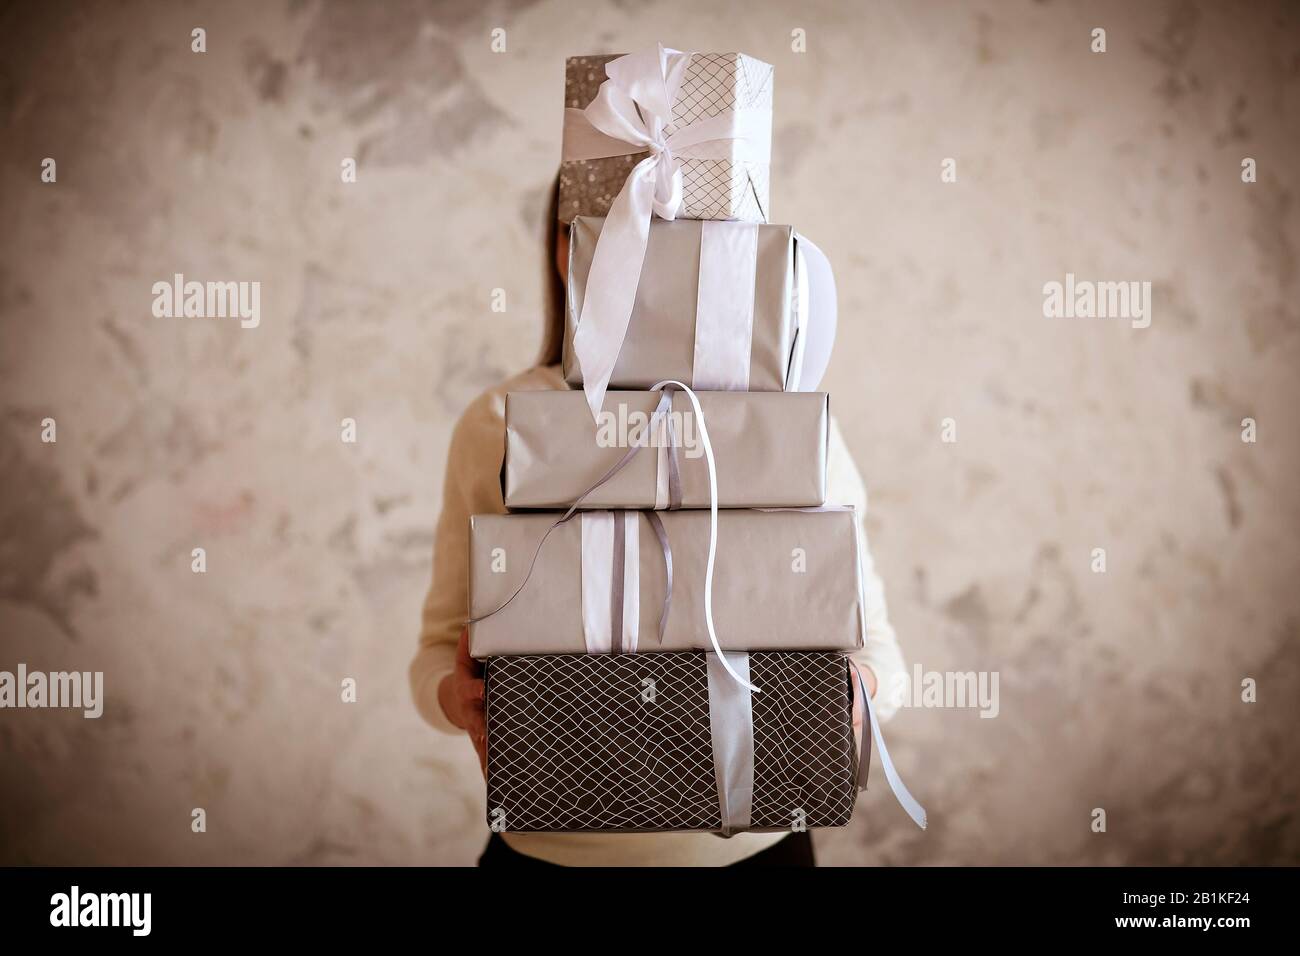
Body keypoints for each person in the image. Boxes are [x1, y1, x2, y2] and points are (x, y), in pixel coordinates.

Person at [409, 183, 909, 867]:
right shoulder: (500, 420)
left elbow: (881, 654)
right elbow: (438, 652)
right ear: (565, 249)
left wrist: (850, 693)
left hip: (759, 855)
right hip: (544, 855)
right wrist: (459, 697)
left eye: (680, 233)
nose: (656, 252)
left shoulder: (787, 429)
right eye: (624, 229)